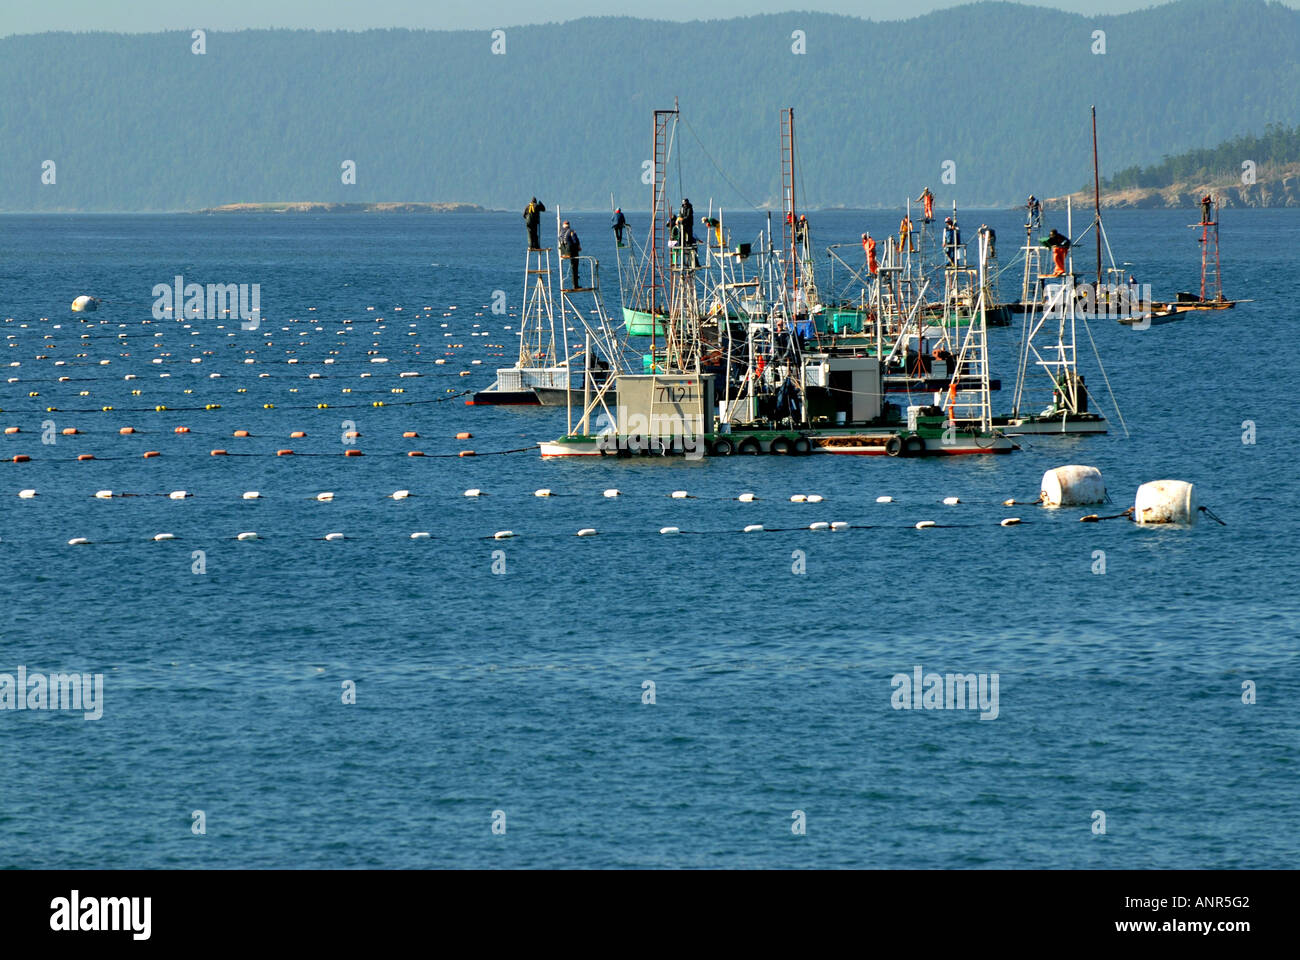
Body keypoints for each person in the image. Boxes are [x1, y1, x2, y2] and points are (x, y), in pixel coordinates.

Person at [560, 220, 581, 288]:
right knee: (575, 268)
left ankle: (574, 284)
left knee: (573, 267)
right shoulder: (571, 231)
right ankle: (575, 285)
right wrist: (578, 247)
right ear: (569, 225)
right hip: (572, 252)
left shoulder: (561, 232)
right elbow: (575, 240)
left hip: (564, 252)